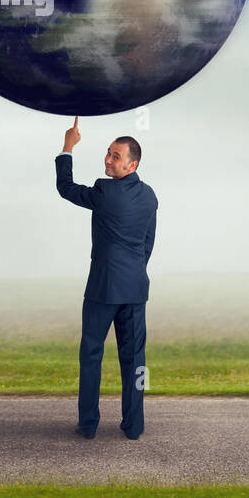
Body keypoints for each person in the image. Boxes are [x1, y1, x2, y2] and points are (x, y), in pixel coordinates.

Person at [54, 117, 158, 440]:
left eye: (116, 156)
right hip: (135, 289)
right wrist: (134, 272)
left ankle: (88, 425)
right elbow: (147, 244)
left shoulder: (105, 191)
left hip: (103, 289)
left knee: (91, 355)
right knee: (135, 361)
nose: (108, 160)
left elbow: (65, 188)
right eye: (108, 153)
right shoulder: (150, 196)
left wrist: (68, 146)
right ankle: (134, 425)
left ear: (132, 164)